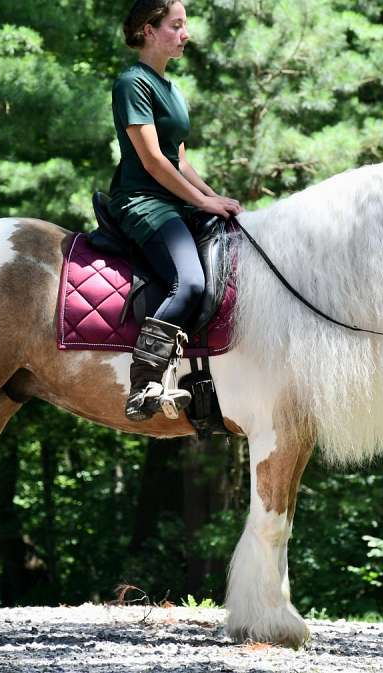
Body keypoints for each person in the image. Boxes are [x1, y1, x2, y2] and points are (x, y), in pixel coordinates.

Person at [109, 0, 243, 422]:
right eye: (176, 25)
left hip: (175, 201)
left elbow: (180, 160)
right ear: (148, 31)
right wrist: (200, 202)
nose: (185, 34)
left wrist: (215, 198)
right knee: (188, 285)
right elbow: (152, 162)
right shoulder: (133, 83)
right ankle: (144, 380)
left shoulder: (171, 88)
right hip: (143, 202)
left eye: (185, 25)